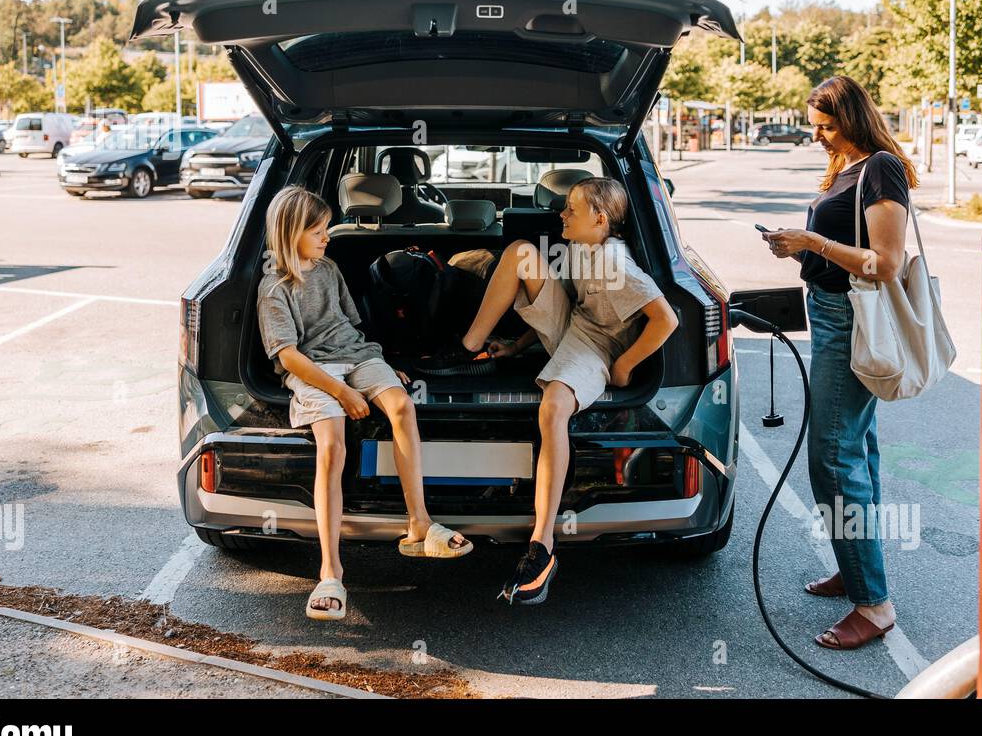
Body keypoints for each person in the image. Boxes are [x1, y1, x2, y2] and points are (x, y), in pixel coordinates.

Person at [418, 177, 678, 605]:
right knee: (520, 252)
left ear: (600, 219)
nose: (561, 214)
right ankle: (468, 348)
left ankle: (542, 547)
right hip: (575, 327)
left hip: (599, 347)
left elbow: (666, 320)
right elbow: (567, 306)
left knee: (553, 408)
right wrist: (516, 347)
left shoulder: (616, 263)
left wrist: (625, 365)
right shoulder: (579, 246)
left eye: (571, 209)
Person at [257, 186, 472, 621]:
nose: (327, 237)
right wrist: (344, 393)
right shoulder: (273, 289)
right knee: (332, 446)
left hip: (358, 357)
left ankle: (419, 525)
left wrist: (383, 369)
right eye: (317, 231)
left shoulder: (329, 268)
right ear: (289, 232)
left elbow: (352, 330)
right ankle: (330, 572)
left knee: (401, 406)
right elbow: (288, 356)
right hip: (313, 370)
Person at [760, 75, 919, 650]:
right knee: (858, 450)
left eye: (828, 126)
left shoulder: (880, 168)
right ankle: (857, 570)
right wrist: (797, 245)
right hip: (831, 314)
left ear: (853, 117)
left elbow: (886, 263)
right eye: (815, 126)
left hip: (853, 321)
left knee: (833, 458)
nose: (819, 136)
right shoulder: (848, 168)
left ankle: (874, 605)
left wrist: (809, 242)